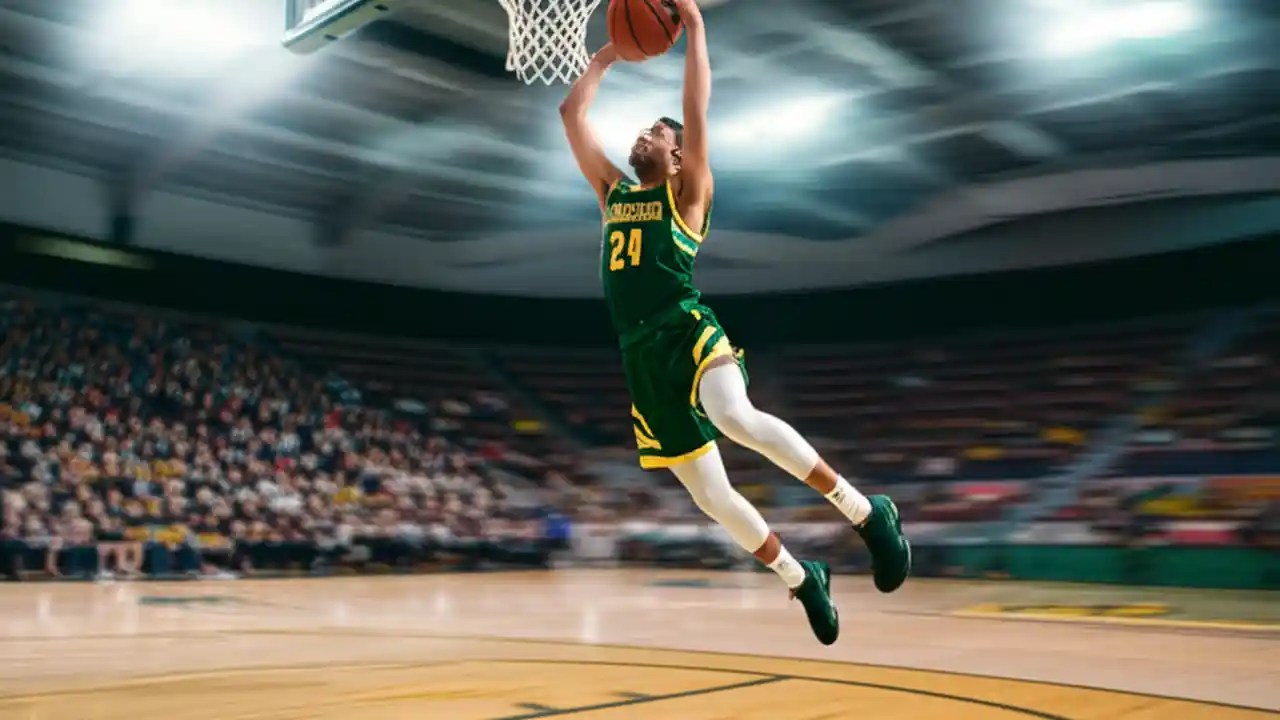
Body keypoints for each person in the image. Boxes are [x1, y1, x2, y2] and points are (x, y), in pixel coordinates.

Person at [558, 0, 910, 645]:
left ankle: (867, 514)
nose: (644, 135)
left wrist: (692, 24)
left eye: (657, 134)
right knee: (711, 498)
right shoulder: (615, 195)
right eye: (643, 129)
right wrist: (608, 53)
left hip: (684, 328)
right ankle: (803, 578)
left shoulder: (686, 193)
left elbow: (695, 111)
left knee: (733, 415)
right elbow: (571, 114)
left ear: (678, 155)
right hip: (640, 357)